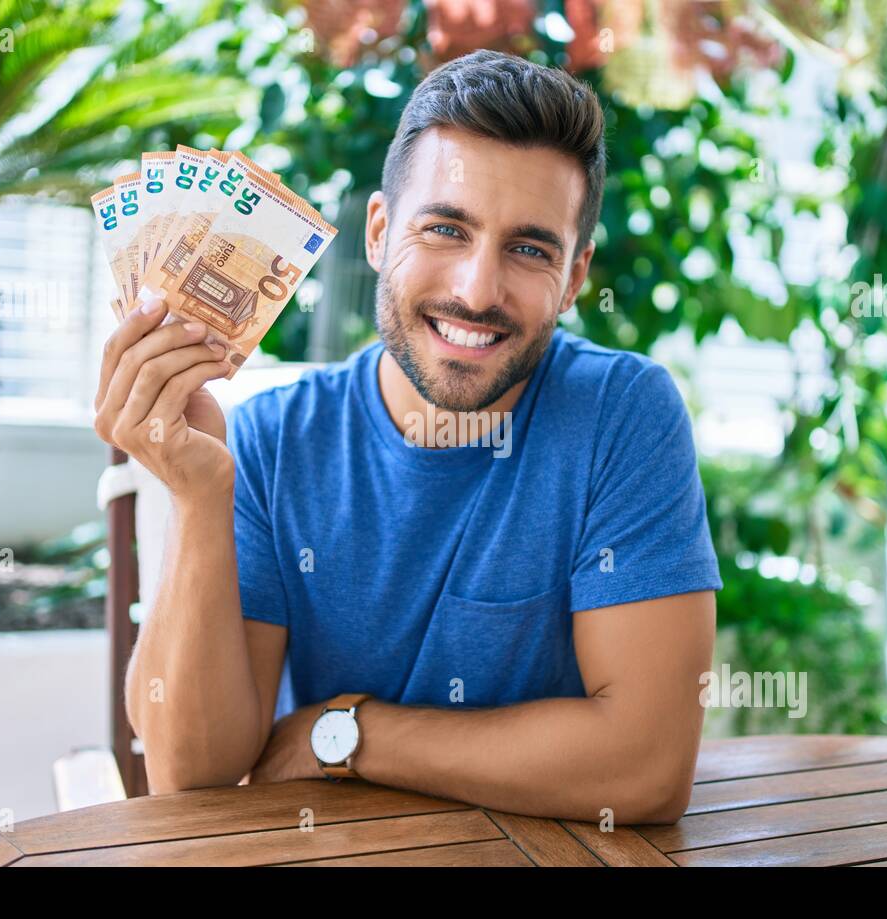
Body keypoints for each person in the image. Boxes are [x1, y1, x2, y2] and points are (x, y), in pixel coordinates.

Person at [93, 49, 722, 824]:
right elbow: (192, 780)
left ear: (576, 274)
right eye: (446, 229)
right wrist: (197, 497)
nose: (477, 290)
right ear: (380, 231)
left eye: (529, 249)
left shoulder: (623, 418)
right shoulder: (273, 441)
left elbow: (646, 769)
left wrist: (345, 736)